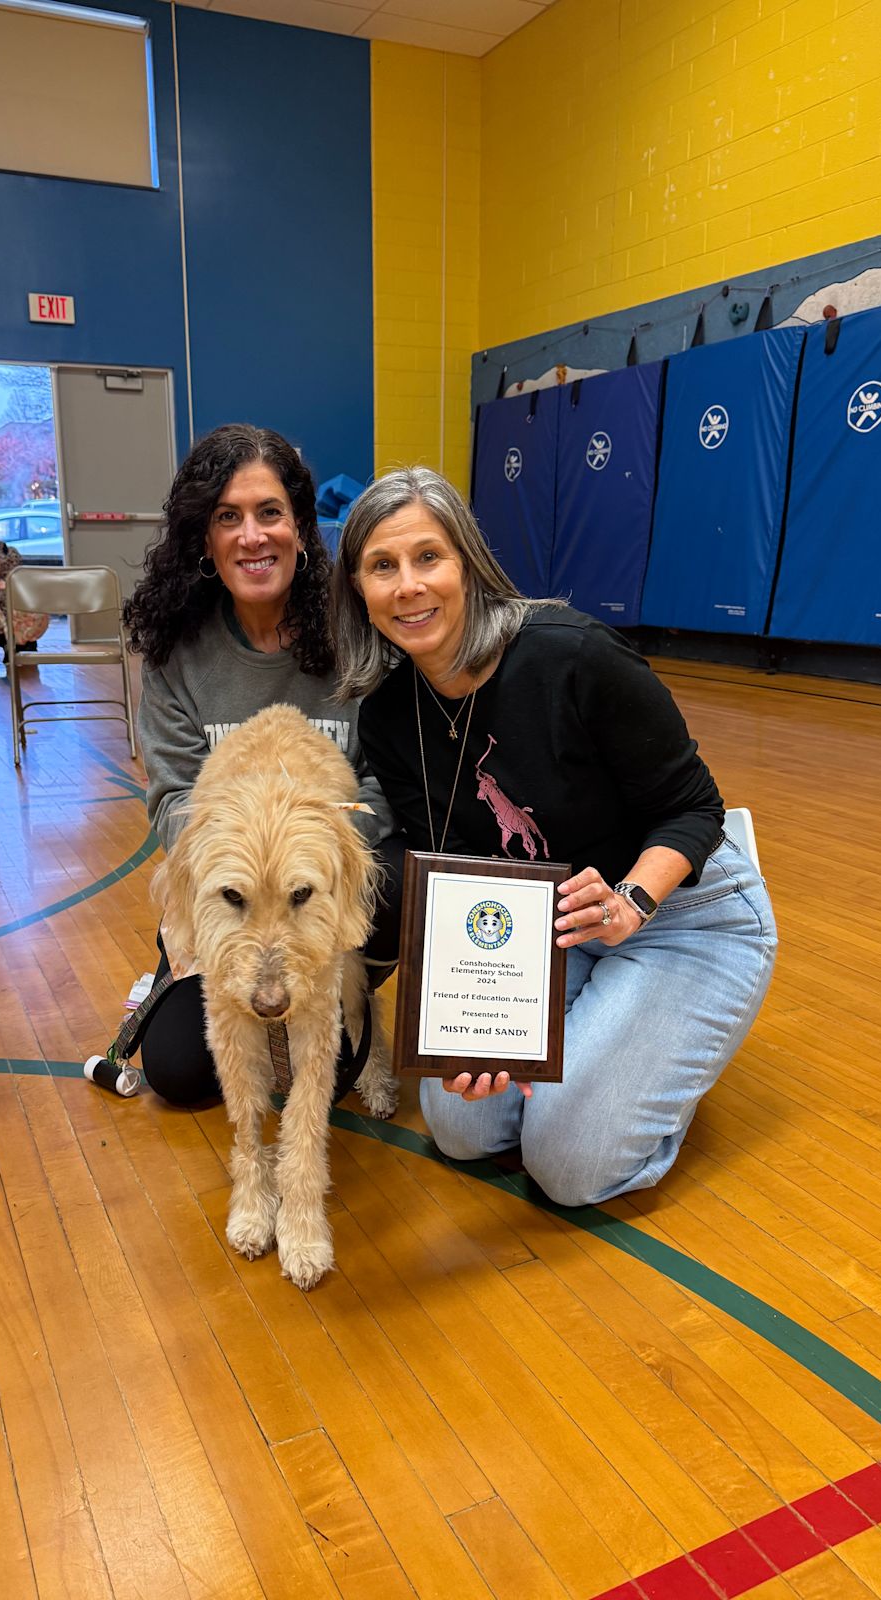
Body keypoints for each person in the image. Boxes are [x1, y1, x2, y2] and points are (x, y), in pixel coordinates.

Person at [330, 466, 777, 1208]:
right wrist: (478, 999)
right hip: (548, 923)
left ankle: (653, 1068)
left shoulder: (576, 656)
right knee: (462, 1128)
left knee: (567, 1167)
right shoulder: (387, 714)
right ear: (359, 591)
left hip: (681, 912)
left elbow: (695, 807)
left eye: (428, 557)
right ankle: (607, 1024)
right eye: (383, 566)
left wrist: (632, 899)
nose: (408, 585)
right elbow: (454, 866)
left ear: (469, 564)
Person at [123, 423, 403, 1106]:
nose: (253, 536)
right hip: (234, 894)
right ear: (204, 539)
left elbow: (389, 776)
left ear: (301, 529)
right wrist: (243, 855)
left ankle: (354, 988)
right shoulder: (176, 657)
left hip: (321, 891)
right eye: (228, 518)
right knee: (181, 1074)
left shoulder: (356, 634)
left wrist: (313, 841)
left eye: (270, 513)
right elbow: (171, 803)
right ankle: (177, 972)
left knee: (324, 1069)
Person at [0, 542, 49, 661]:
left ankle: (12, 649)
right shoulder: (25, 582)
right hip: (33, 628)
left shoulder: (1, 586)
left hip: (12, 631)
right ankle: (29, 647)